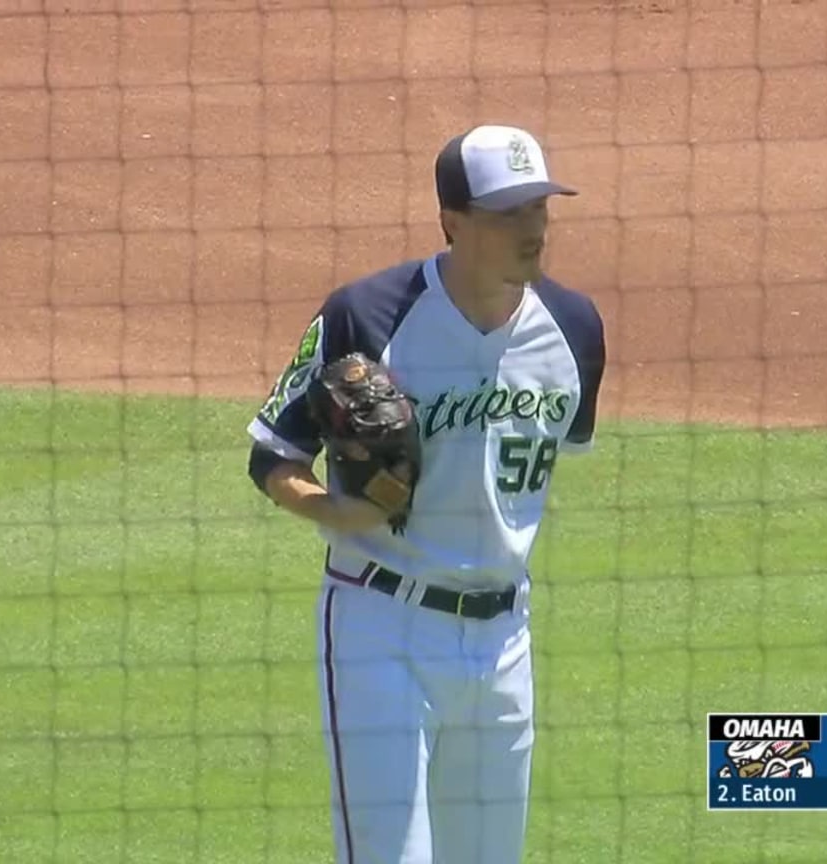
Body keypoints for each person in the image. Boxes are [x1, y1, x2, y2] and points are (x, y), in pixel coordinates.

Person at [245, 124, 607, 864]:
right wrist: (329, 509)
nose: (532, 227)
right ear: (453, 220)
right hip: (382, 626)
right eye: (508, 212)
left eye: (539, 206)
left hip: (506, 638)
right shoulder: (366, 315)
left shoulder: (574, 328)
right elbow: (271, 455)